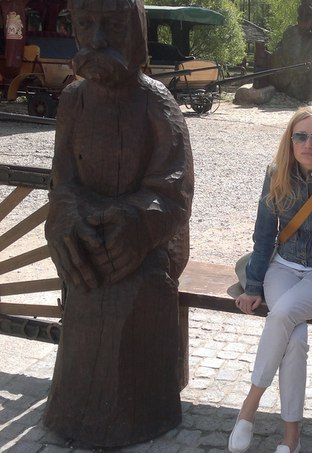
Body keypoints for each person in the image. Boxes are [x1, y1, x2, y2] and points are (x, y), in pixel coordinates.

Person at [44, 0, 193, 447]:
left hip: (146, 247)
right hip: (90, 237)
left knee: (131, 295)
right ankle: (73, 412)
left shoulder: (155, 100)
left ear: (137, 30)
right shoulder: (74, 100)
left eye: (112, 26)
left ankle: (141, 413)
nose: (97, 40)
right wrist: (67, 217)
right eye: (86, 25)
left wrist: (135, 222)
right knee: (84, 283)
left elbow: (174, 187)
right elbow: (62, 181)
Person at [228, 105, 312, 453]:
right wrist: (253, 286)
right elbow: (263, 235)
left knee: (285, 313)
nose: (308, 144)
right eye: (300, 136)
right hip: (283, 268)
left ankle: (249, 406)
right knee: (296, 337)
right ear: (290, 141)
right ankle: (291, 439)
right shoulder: (276, 173)